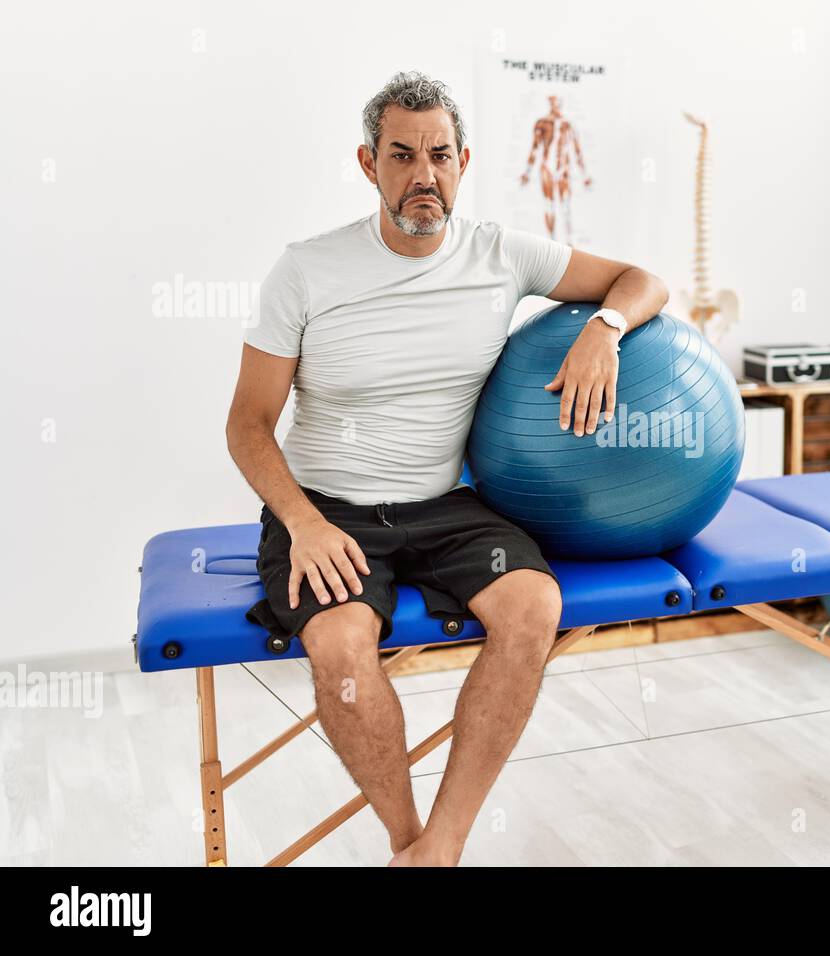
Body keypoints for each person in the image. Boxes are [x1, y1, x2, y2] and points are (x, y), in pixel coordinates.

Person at [224, 70, 668, 866]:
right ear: (369, 165)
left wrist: (605, 326)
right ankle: (409, 843)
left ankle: (446, 842)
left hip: (446, 505)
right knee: (341, 648)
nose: (422, 175)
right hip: (331, 510)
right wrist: (303, 523)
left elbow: (645, 282)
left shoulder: (502, 254)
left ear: (463, 160)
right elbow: (248, 425)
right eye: (401, 155)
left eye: (439, 155)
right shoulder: (306, 270)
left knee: (534, 607)